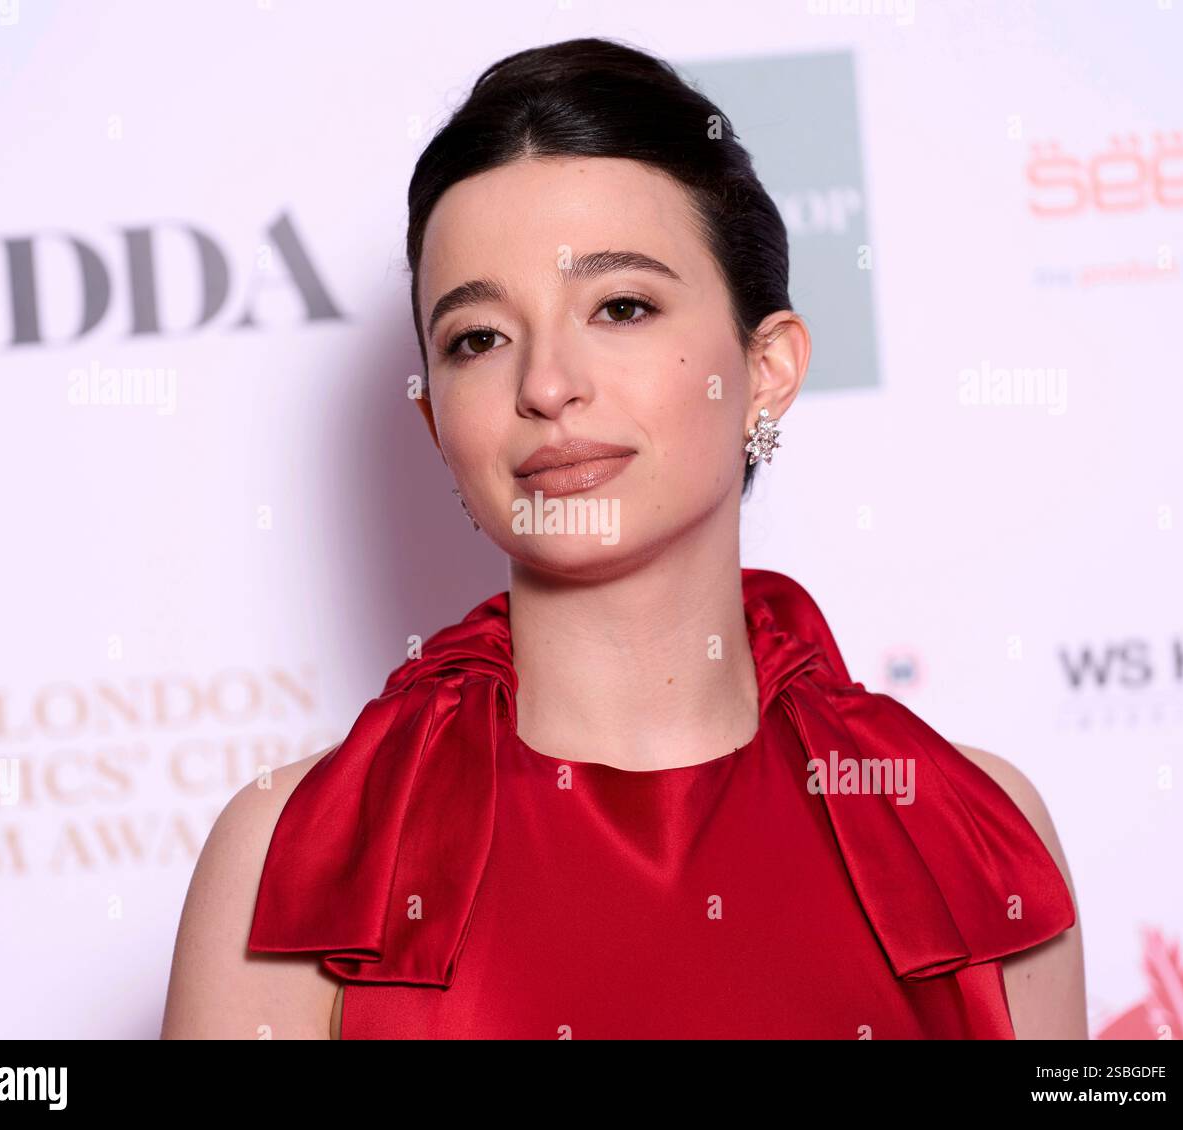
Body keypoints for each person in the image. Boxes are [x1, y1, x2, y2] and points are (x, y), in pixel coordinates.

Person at [161, 36, 1085, 1040]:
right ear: (436, 421)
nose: (546, 384)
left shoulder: (969, 828)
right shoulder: (304, 859)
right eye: (478, 338)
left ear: (765, 368)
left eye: (621, 305)